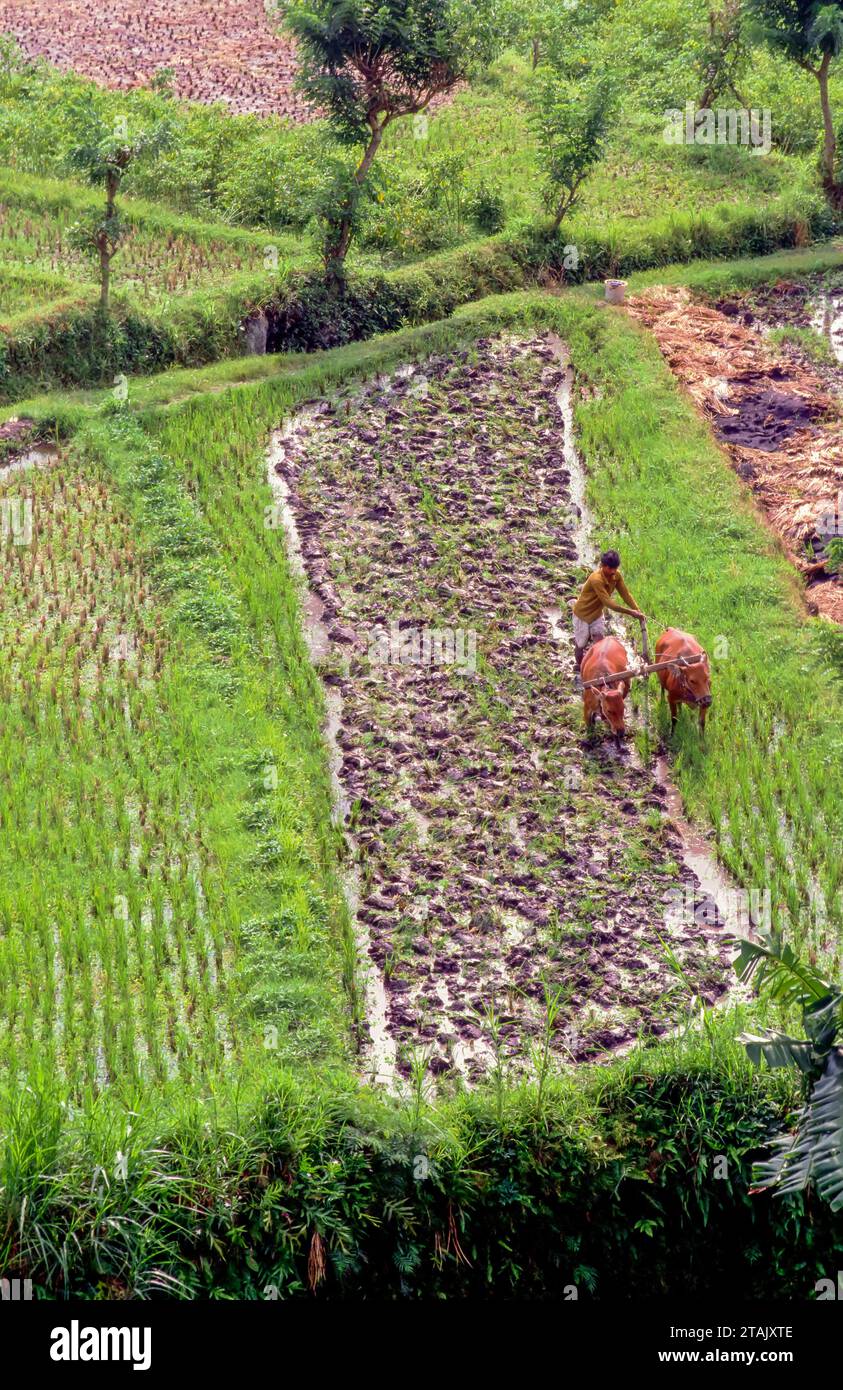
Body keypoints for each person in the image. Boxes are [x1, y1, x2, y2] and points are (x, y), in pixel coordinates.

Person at [571, 549, 645, 687]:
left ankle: (598, 671)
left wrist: (637, 610)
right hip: (582, 615)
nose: (612, 571)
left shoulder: (616, 576)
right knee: (580, 644)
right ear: (602, 565)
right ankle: (581, 670)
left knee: (599, 643)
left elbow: (625, 594)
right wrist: (630, 612)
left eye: (615, 568)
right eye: (610, 568)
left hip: (597, 615)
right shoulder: (596, 579)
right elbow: (608, 603)